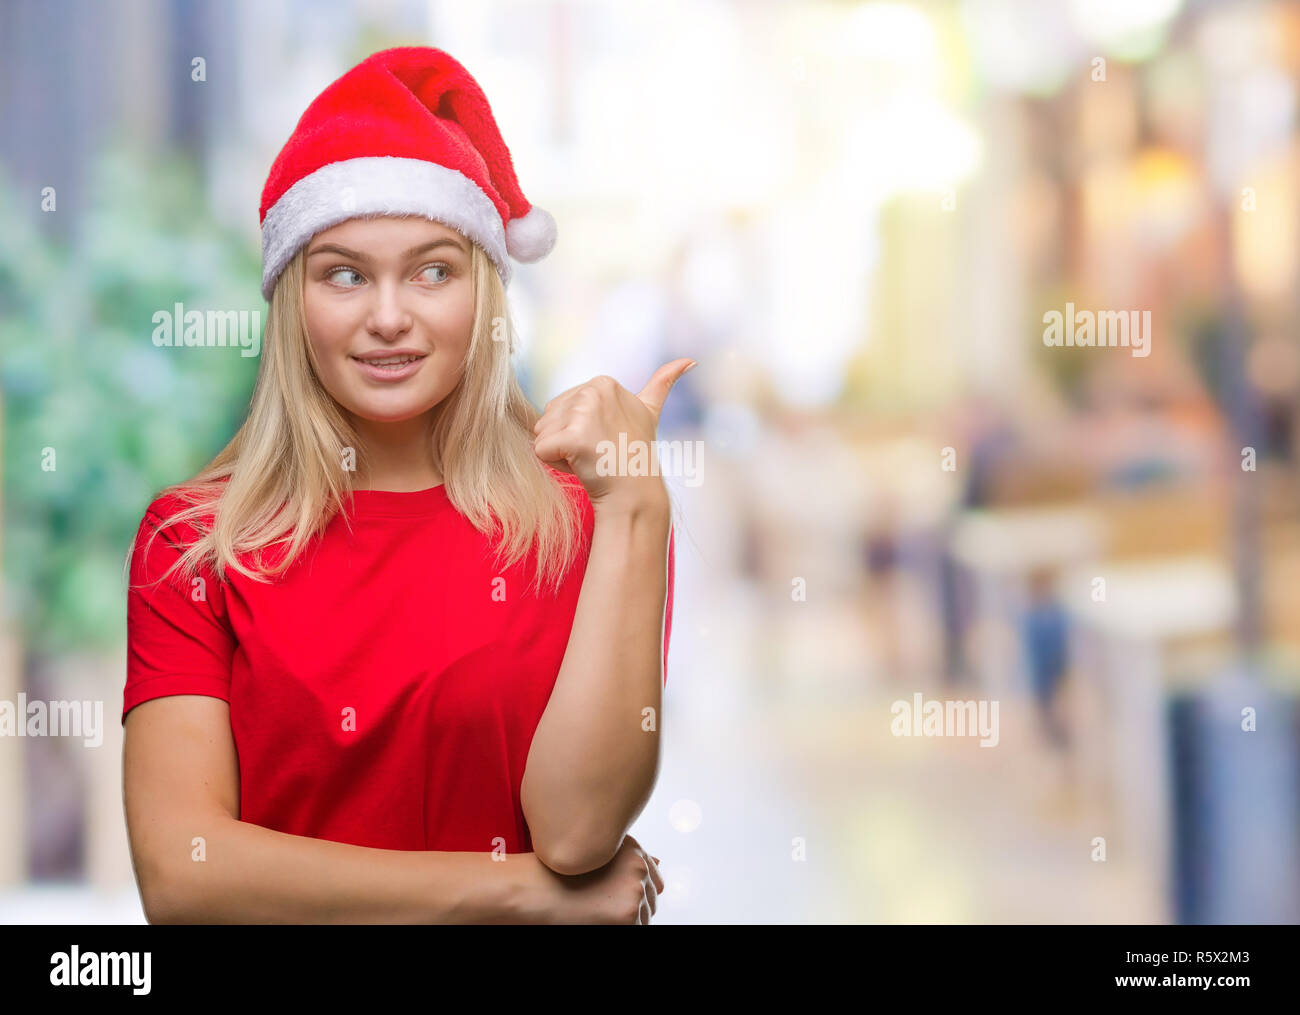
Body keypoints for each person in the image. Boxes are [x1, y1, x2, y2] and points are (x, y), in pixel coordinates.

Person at [121, 47, 690, 925]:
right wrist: (513, 893)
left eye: (433, 269)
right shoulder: (195, 543)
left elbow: (577, 833)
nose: (389, 315)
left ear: (485, 295)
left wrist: (640, 506)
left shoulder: (584, 520)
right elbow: (183, 873)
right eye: (345, 273)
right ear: (291, 300)